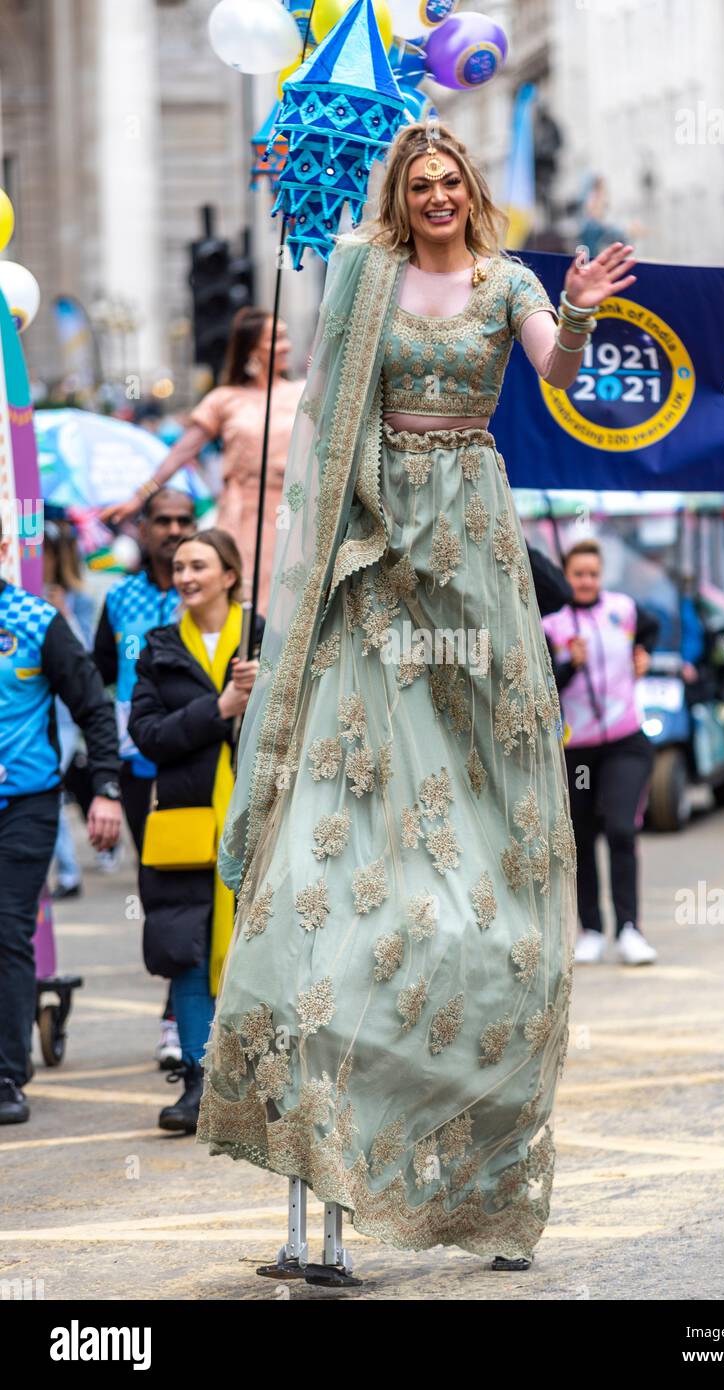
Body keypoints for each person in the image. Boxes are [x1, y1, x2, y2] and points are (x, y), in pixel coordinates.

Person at [196, 118, 637, 1272]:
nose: (438, 195)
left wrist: (580, 302)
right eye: (421, 182)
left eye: (453, 181)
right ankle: (319, 1172)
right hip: (379, 555)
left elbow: (559, 370)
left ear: (472, 191)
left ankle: (487, 1172)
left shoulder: (508, 283)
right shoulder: (364, 276)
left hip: (471, 557)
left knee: (486, 846)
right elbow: (328, 404)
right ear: (403, 192)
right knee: (345, 842)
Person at [128, 531, 261, 1134]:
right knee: (187, 951)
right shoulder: (158, 649)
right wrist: (222, 708)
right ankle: (200, 1082)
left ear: (229, 574)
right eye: (179, 566)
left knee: (261, 949)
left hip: (260, 817)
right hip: (186, 827)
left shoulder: (264, 637)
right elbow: (149, 735)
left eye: (198, 565)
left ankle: (258, 1081)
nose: (184, 576)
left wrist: (265, 694)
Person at [0, 517, 121, 1125]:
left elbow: (93, 706)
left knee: (6, 928)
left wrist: (104, 790)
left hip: (25, 804)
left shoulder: (35, 621)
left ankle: (6, 1074)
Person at [101, 309, 305, 606]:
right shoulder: (225, 399)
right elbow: (182, 451)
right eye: (275, 339)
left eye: (286, 337)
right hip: (244, 516)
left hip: (295, 512)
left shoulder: (304, 392)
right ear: (251, 348)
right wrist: (139, 497)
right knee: (245, 599)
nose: (286, 346)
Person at [92, 487, 196, 1068]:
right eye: (164, 521)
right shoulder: (119, 599)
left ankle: (180, 1011)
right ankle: (176, 1006)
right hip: (140, 766)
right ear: (143, 527)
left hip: (201, 762)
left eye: (185, 520)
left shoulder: (204, 592)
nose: (174, 530)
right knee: (156, 883)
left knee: (197, 884)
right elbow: (100, 675)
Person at [543, 539, 660, 967]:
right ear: (566, 576)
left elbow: (651, 628)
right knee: (584, 834)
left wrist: (641, 652)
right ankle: (591, 928)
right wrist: (569, 664)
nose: (587, 581)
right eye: (578, 574)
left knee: (621, 829)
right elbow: (545, 685)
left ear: (601, 575)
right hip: (578, 752)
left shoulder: (623, 610)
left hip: (625, 744)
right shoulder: (553, 625)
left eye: (593, 573)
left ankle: (630, 928)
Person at [42, 519, 96, 899]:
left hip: (65, 716)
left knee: (50, 785)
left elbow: (87, 656)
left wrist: (64, 616)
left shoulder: (80, 599)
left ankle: (69, 872)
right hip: (33, 712)